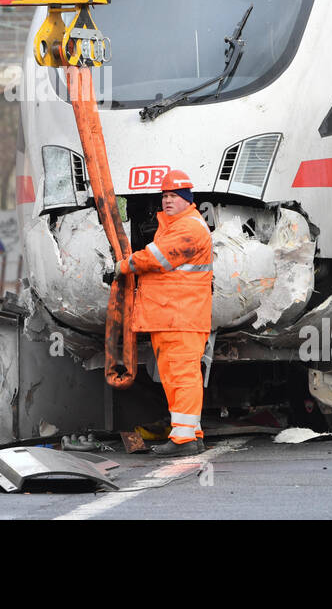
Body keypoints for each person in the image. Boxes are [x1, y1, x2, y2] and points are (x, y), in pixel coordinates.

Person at [112, 169, 213, 456]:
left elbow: (157, 257)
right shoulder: (174, 225)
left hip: (181, 316)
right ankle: (191, 434)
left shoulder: (189, 228)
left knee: (181, 376)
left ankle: (184, 440)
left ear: (187, 199)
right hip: (172, 316)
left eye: (174, 196)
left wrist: (122, 265)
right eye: (165, 196)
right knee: (176, 376)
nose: (168, 201)